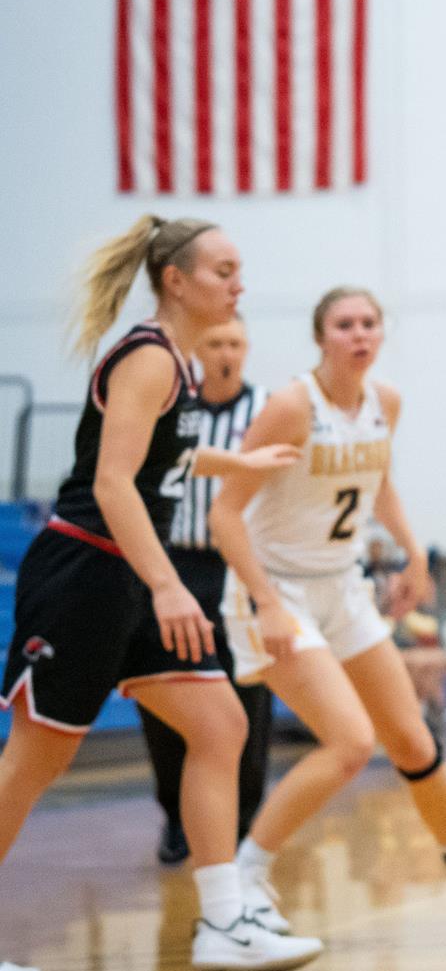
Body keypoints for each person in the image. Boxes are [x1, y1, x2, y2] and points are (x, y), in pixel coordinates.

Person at [0, 216, 325, 971]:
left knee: (221, 724)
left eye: (239, 270)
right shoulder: (147, 356)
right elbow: (113, 481)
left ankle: (222, 922)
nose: (238, 284)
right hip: (88, 572)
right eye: (223, 270)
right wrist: (169, 584)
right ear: (175, 279)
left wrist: (239, 459)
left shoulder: (175, 360)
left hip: (131, 577)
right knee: (33, 763)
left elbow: (163, 453)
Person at [208, 286, 446, 937]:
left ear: (380, 334)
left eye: (368, 323)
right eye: (344, 324)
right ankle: (242, 881)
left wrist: (415, 557)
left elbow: (378, 485)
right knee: (353, 743)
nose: (358, 333)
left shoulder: (385, 402)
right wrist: (266, 604)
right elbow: (224, 510)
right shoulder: (291, 406)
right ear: (321, 336)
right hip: (276, 590)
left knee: (413, 738)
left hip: (342, 586)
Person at [137, 315, 276, 866]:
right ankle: (176, 813)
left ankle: (243, 823)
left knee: (249, 695)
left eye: (235, 343)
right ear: (199, 350)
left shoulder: (268, 407)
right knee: (171, 695)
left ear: (246, 349)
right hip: (176, 562)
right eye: (215, 342)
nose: (225, 352)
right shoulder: (174, 405)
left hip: (240, 564)